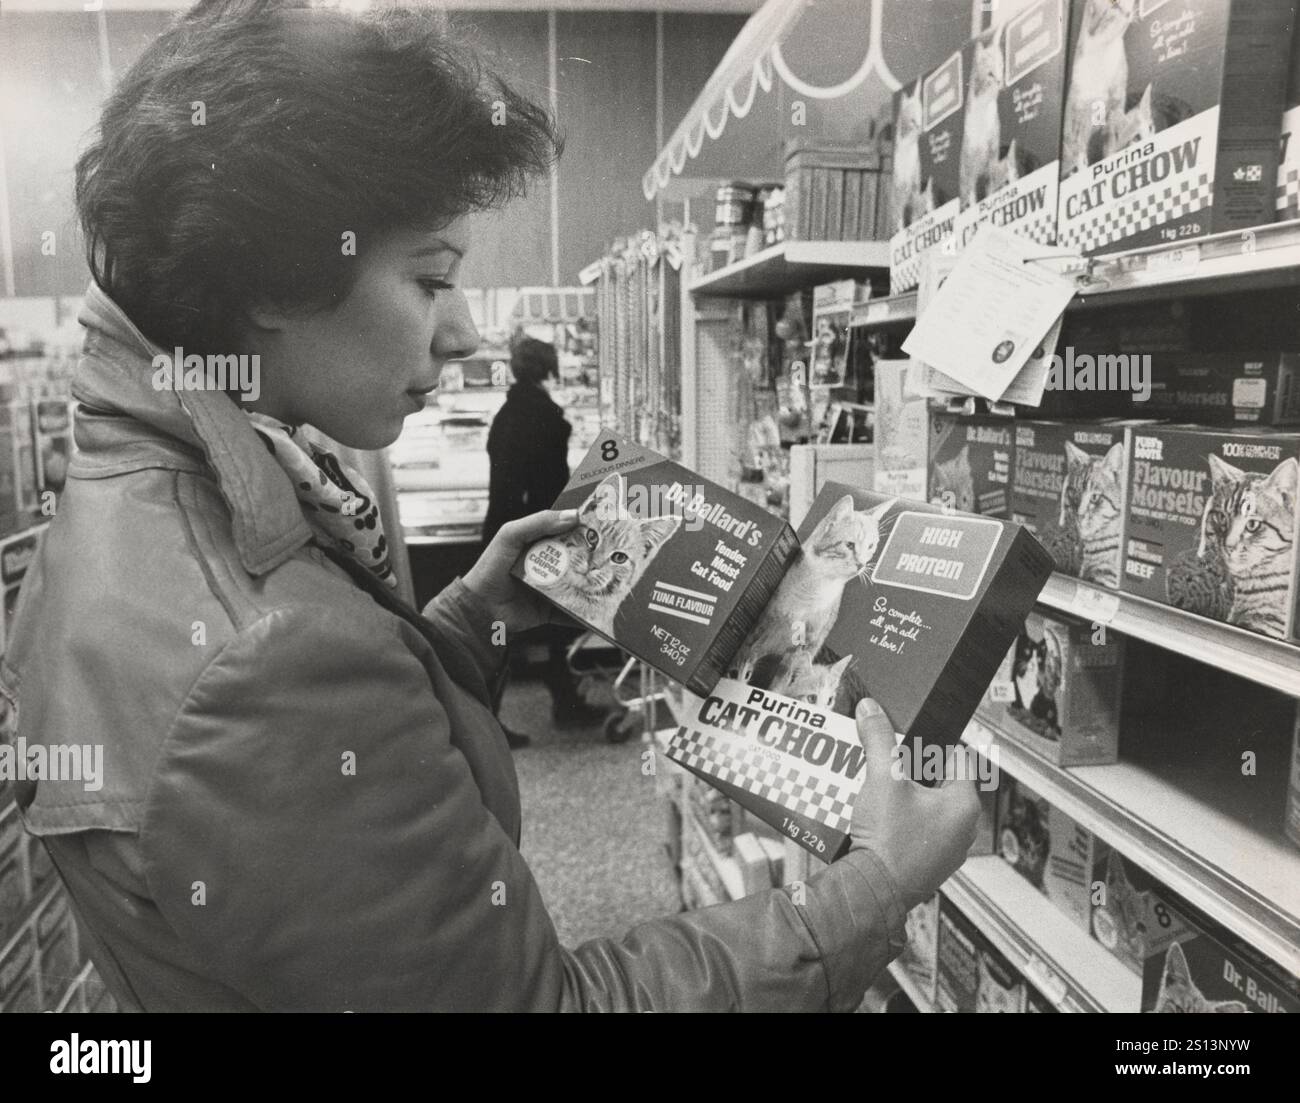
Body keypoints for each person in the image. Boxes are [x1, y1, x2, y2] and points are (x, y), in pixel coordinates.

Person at [1, 0, 979, 1012]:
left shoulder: (128, 491)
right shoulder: (257, 663)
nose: (466, 332)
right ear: (274, 281)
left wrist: (460, 621)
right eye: (432, 279)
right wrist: (874, 883)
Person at [483, 335, 605, 746]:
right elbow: (552, 482)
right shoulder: (542, 414)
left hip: (504, 527)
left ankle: (493, 720)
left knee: (502, 633)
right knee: (551, 625)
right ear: (547, 368)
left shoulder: (509, 411)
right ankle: (561, 706)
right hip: (535, 530)